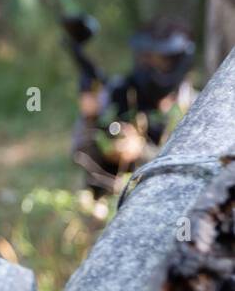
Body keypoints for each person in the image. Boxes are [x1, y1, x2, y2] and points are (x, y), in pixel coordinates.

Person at [71, 17, 196, 196]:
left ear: (178, 61)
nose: (149, 67)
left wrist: (141, 152)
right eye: (145, 59)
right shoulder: (118, 93)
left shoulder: (197, 109)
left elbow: (195, 173)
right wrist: (90, 119)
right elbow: (79, 155)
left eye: (158, 61)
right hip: (113, 206)